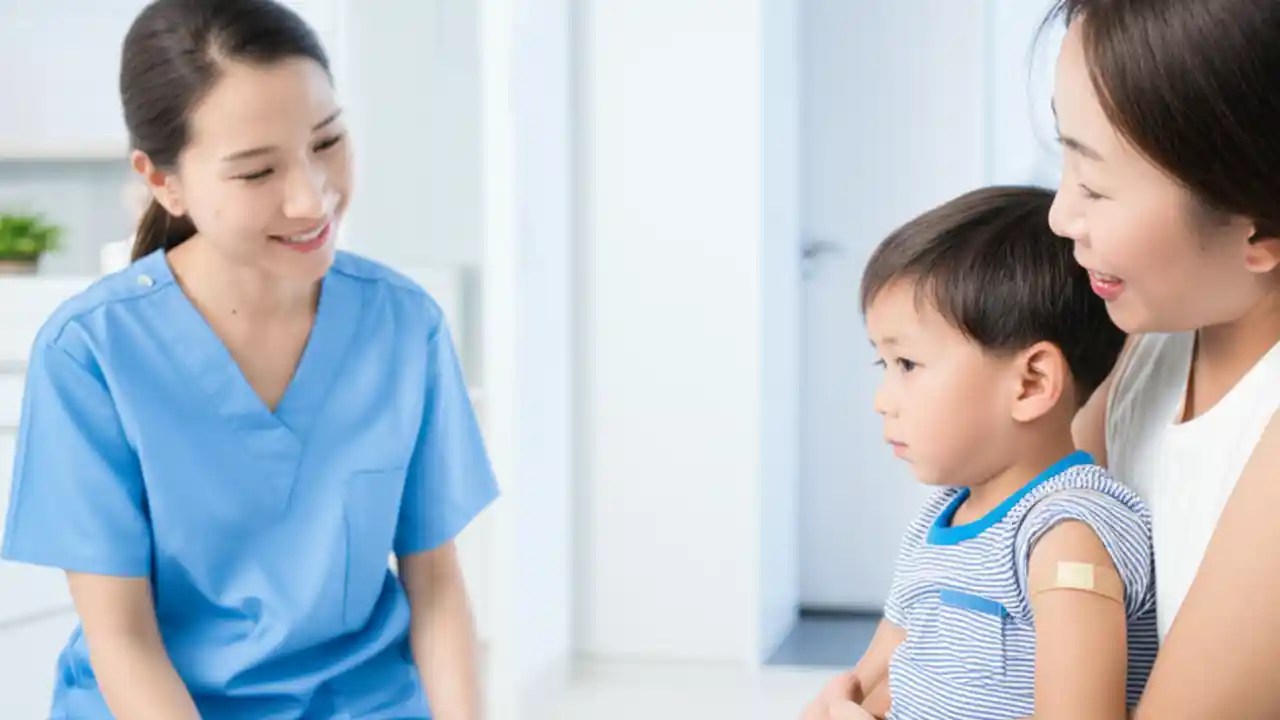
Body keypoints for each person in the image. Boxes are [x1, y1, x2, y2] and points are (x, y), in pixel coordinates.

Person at [0, 1, 497, 718]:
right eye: (257, 171)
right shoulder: (93, 353)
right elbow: (123, 637)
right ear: (163, 180)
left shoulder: (402, 326)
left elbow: (438, 584)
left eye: (326, 141)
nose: (310, 197)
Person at [801, 186, 1156, 720]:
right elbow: (877, 678)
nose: (882, 402)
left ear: (1031, 383)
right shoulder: (936, 524)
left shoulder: (1066, 538)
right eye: (884, 365)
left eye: (908, 365)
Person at [1048, 1, 1280, 716]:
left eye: (1094, 186)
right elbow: (1023, 535)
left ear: (1260, 231)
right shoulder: (1155, 341)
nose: (1060, 216)